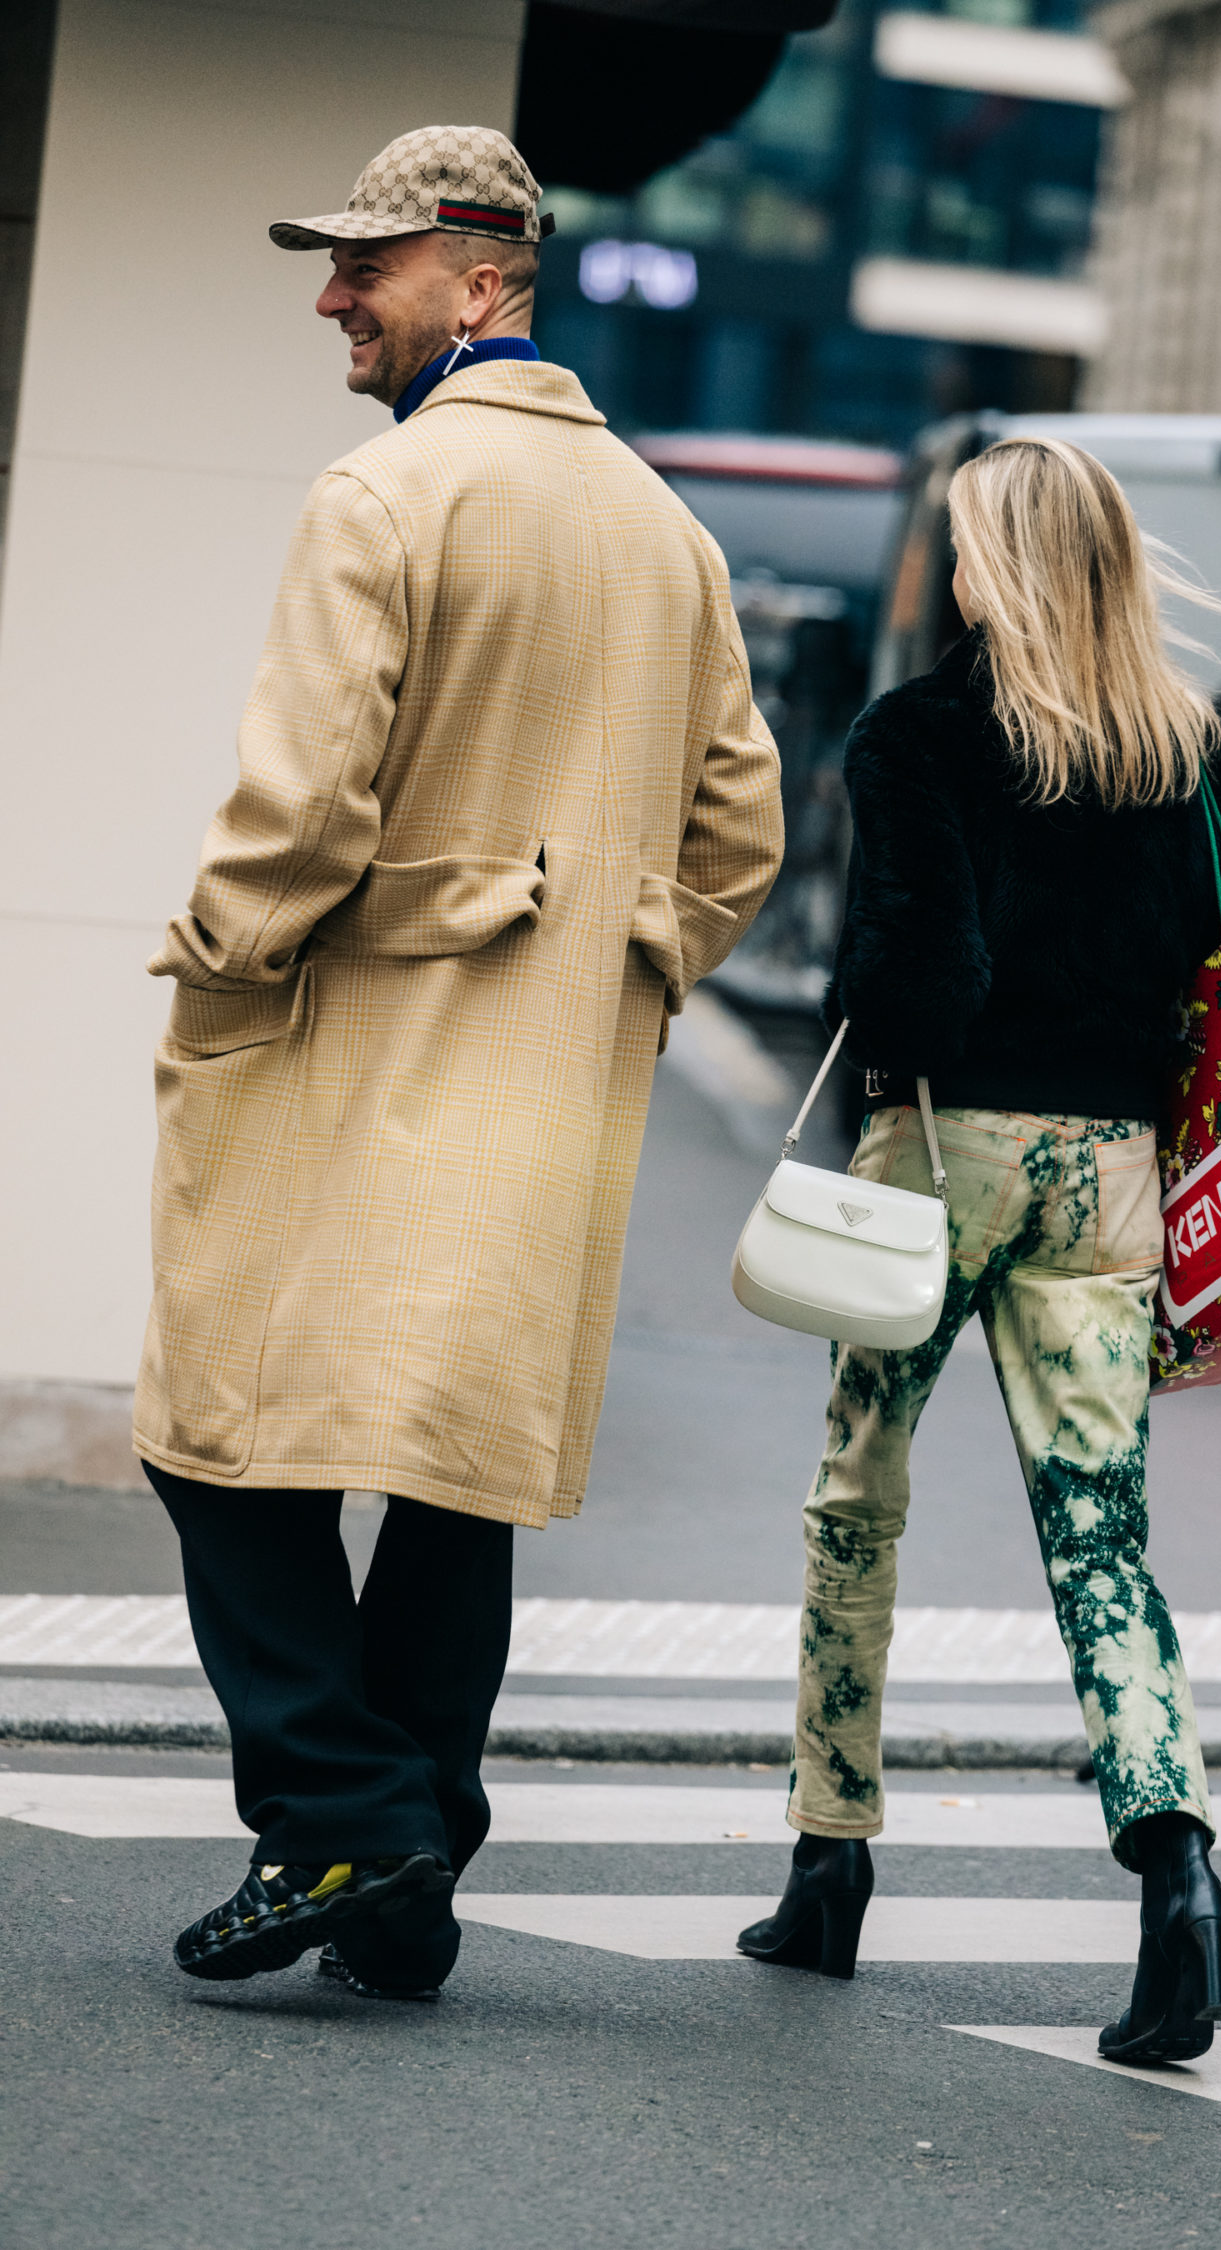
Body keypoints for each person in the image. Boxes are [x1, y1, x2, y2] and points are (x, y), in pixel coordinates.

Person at [136, 125, 783, 1999]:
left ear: (480, 274)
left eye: (367, 264)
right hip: (554, 1086)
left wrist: (219, 956)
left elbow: (298, 806)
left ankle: (347, 1802)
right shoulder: (668, 529)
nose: (334, 297)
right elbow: (738, 832)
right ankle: (407, 1876)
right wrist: (615, 961)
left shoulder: (388, 495)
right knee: (452, 1469)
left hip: (348, 1048)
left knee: (212, 1432)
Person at [737, 434, 1221, 2066]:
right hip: (1114, 1172)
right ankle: (1177, 1873)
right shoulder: (1190, 742)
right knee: (1101, 1531)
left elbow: (918, 986)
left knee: (860, 1496)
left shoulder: (919, 735)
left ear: (1001, 563)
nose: (960, 574)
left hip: (941, 1160)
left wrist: (881, 977)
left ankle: (829, 1861)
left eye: (971, 548)